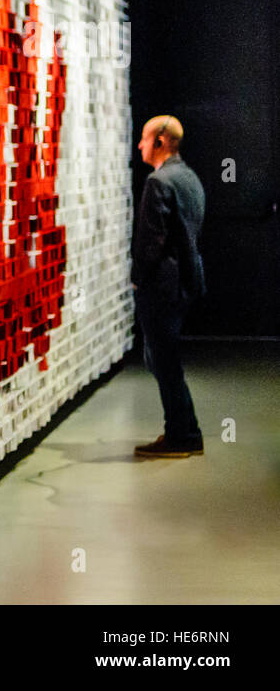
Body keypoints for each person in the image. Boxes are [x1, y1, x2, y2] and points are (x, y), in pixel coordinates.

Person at [131, 115, 206, 457]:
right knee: (167, 360)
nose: (140, 145)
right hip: (185, 282)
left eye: (145, 139)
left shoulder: (158, 182)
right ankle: (185, 430)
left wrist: (137, 278)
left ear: (160, 140)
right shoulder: (188, 177)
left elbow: (151, 242)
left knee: (164, 363)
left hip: (162, 286)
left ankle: (181, 436)